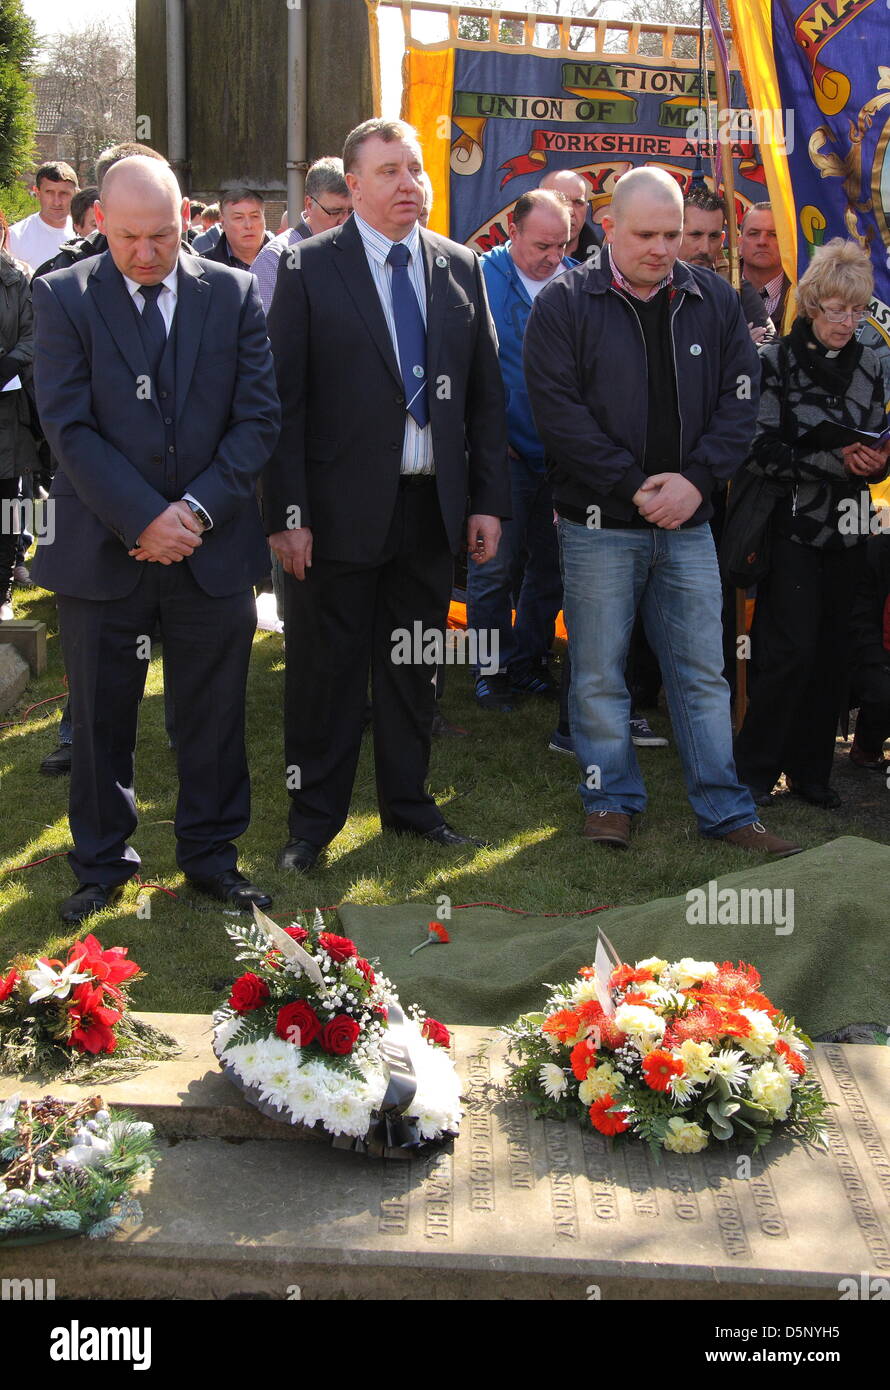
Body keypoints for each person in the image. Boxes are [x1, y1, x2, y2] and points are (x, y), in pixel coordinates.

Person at [31, 156, 281, 923]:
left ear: (185, 221)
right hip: (105, 552)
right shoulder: (62, 295)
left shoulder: (233, 292)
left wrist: (195, 513)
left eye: (164, 236)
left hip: (211, 553)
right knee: (103, 719)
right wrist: (144, 518)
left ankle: (211, 857)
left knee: (212, 716)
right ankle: (102, 863)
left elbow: (258, 417)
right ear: (99, 220)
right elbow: (67, 424)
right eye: (131, 236)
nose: (147, 253)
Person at [523, 165, 800, 856]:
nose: (662, 247)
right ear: (609, 224)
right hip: (599, 526)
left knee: (702, 670)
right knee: (596, 670)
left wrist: (696, 484)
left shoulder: (713, 298)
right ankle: (609, 800)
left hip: (690, 523)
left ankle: (728, 810)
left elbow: (742, 402)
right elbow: (559, 415)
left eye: (673, 234)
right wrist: (636, 486)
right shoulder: (564, 302)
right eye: (646, 233)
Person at [264, 118, 509, 872]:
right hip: (332, 518)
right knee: (325, 671)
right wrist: (287, 516)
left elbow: (486, 401)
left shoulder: (461, 267)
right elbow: (282, 405)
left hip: (428, 511)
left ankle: (409, 807)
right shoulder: (308, 270)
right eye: (392, 172)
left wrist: (487, 501)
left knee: (414, 666)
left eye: (417, 170)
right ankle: (313, 825)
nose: (411, 185)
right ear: (355, 186)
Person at [733, 239, 889, 809]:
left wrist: (877, 460)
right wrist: (834, 459)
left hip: (851, 526)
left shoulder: (873, 361)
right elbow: (759, 449)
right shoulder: (775, 360)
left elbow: (877, 436)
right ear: (813, 304)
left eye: (858, 310)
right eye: (835, 309)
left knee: (834, 653)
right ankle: (754, 770)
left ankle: (811, 772)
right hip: (792, 525)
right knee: (787, 652)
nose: (847, 321)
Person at [468, 189, 573, 712]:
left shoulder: (578, 282)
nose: (553, 256)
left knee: (550, 566)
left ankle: (530, 661)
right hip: (500, 455)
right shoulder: (478, 276)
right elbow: (461, 365)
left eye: (562, 244)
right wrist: (486, 437)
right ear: (513, 230)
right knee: (493, 567)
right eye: (542, 246)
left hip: (564, 458)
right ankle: (489, 670)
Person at [251, 158, 352, 314]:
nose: (345, 220)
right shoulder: (274, 258)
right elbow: (267, 333)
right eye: (335, 212)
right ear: (309, 205)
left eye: (352, 211)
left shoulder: (361, 248)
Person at [0, 211, 38, 621]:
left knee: (16, 500)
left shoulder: (17, 278)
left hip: (12, 410)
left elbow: (34, 334)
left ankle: (6, 584)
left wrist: (10, 362)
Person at [848, 529, 890, 775]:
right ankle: (867, 744)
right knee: (883, 690)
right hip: (877, 655)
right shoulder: (876, 552)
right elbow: (859, 619)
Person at [7, 163, 78, 271]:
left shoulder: (85, 234)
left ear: (75, 194)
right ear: (37, 192)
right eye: (49, 192)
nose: (57, 202)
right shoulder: (15, 237)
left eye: (64, 193)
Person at [740, 202, 790, 335]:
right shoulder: (717, 288)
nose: (762, 241)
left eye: (773, 234)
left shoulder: (802, 295)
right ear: (740, 243)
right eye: (754, 233)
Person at [198, 186, 271, 269]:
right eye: (238, 218)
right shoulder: (205, 267)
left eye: (254, 216)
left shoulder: (284, 260)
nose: (248, 225)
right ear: (223, 224)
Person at [539, 168, 604, 260]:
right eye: (560, 201)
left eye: (578, 203)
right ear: (538, 206)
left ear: (586, 209)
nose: (570, 211)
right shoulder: (514, 255)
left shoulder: (602, 265)